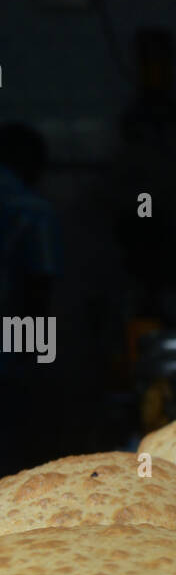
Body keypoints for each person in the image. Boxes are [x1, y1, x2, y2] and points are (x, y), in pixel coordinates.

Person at [0, 122, 61, 474]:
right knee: (15, 456)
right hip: (11, 345)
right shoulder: (31, 209)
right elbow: (38, 290)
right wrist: (40, 359)